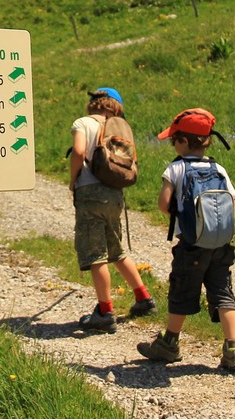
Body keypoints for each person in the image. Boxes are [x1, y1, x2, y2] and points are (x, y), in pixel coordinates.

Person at [137, 108, 235, 371]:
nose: (173, 144)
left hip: (191, 246)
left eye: (174, 139)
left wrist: (186, 216)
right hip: (220, 245)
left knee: (182, 290)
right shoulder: (217, 167)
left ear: (184, 141)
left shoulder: (175, 169)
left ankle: (169, 344)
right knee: (222, 293)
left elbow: (164, 204)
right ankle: (233, 350)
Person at [70, 87, 157, 333]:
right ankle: (143, 299)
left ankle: (105, 311)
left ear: (93, 103)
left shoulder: (83, 123)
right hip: (115, 193)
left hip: (90, 194)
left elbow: (78, 152)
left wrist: (72, 179)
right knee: (116, 249)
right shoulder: (119, 128)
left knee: (96, 254)